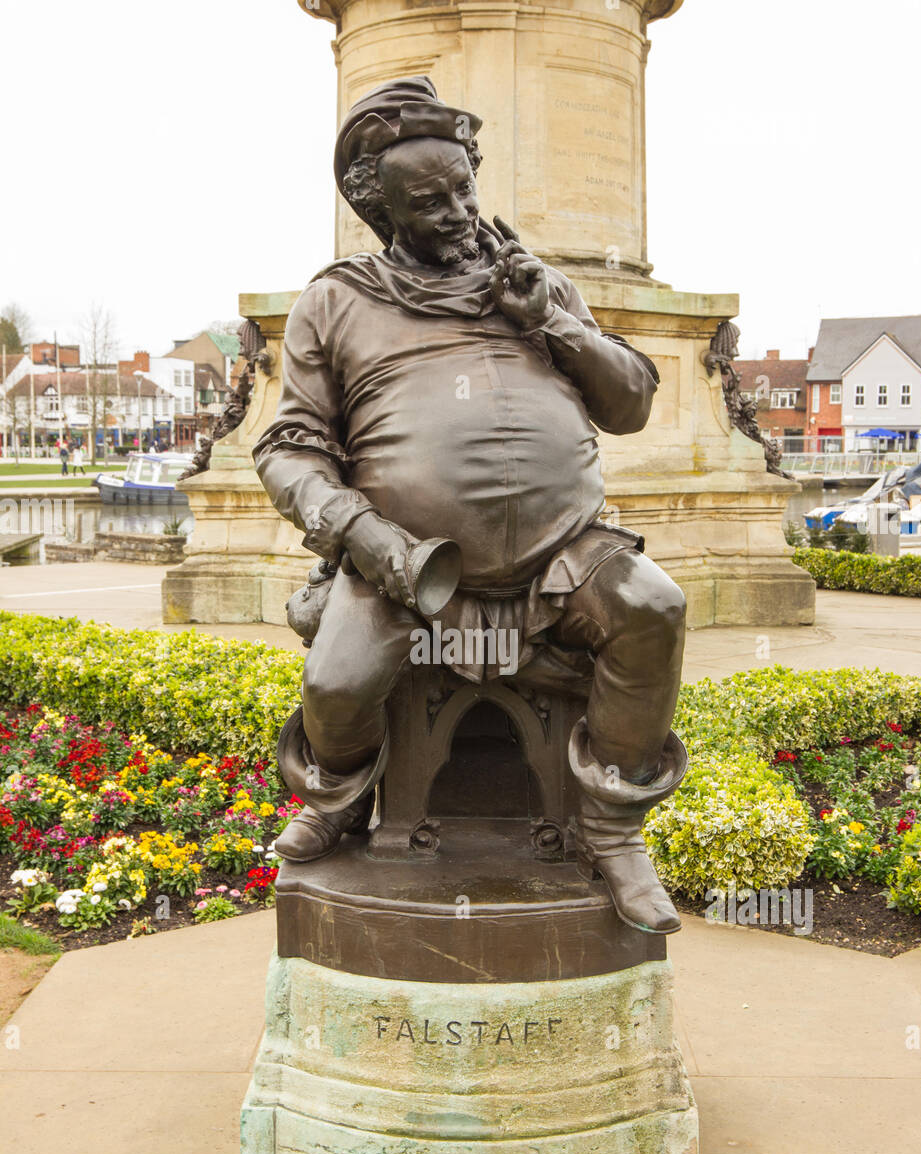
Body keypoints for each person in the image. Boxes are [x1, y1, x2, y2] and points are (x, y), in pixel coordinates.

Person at [254, 76, 688, 936]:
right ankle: (338, 797)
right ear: (382, 209)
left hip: (565, 556)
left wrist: (556, 326)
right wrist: (365, 536)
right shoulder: (336, 301)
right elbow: (289, 447)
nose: (458, 212)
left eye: (465, 188)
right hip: (404, 563)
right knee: (336, 683)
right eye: (431, 199)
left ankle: (612, 829)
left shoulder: (538, 284)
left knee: (654, 609)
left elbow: (632, 403)